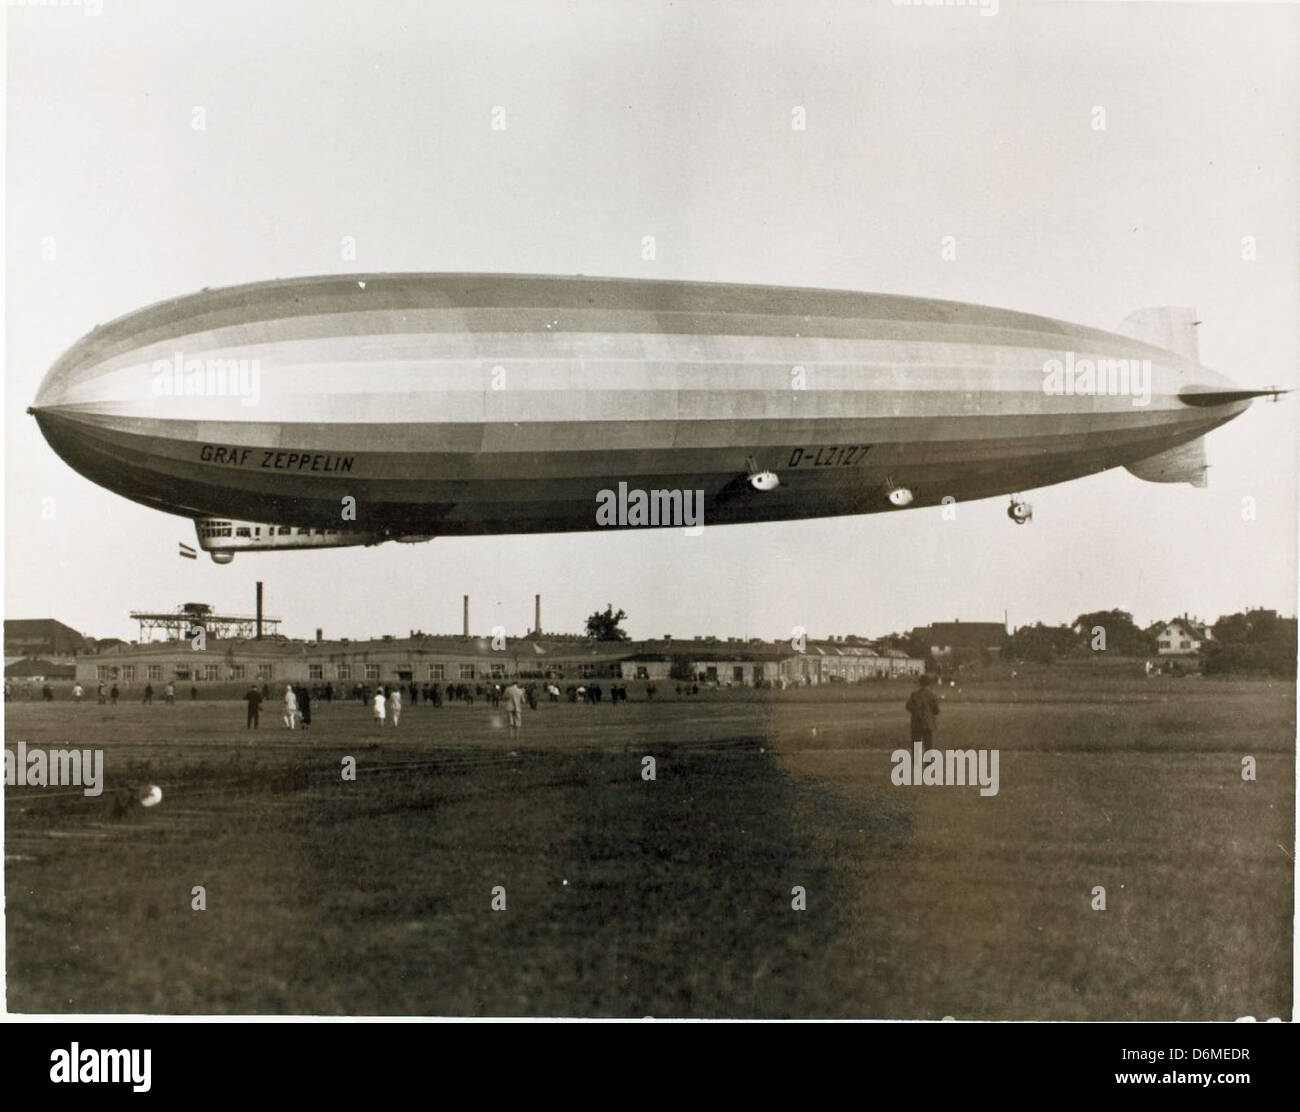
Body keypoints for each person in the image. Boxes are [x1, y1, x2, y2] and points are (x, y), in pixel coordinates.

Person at [905, 673, 941, 751]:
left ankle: (916, 762)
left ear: (919, 683)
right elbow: (936, 710)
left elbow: (908, 706)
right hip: (928, 723)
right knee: (928, 746)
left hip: (916, 722)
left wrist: (916, 710)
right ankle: (928, 762)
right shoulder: (932, 694)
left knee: (916, 745)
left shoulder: (914, 694)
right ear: (929, 683)